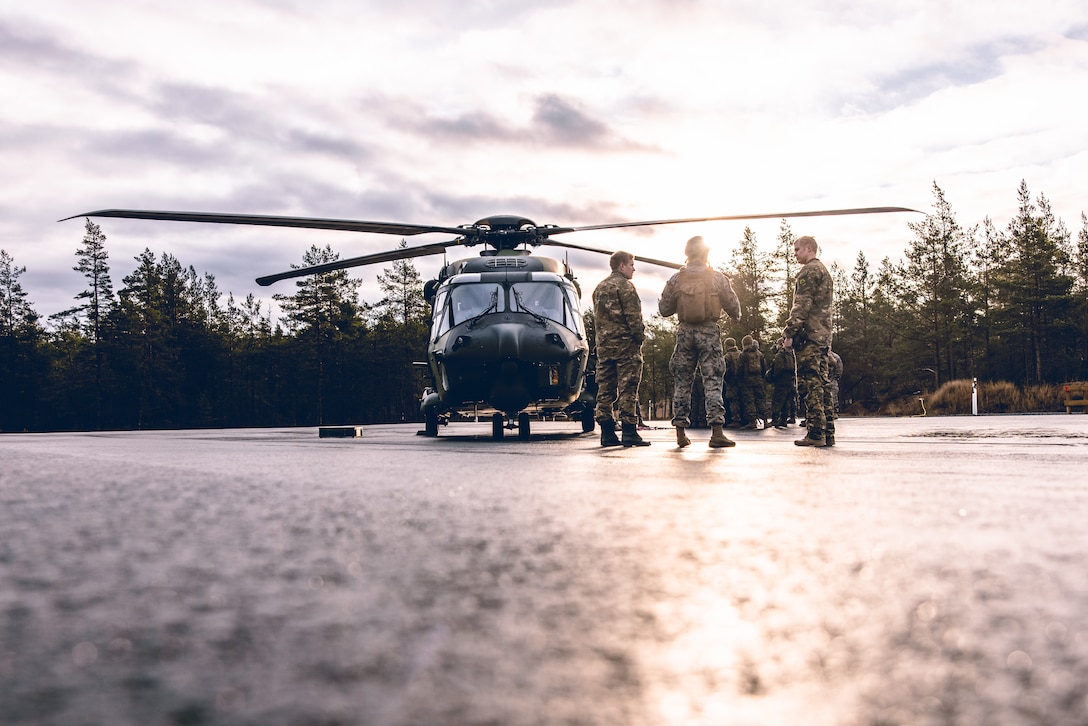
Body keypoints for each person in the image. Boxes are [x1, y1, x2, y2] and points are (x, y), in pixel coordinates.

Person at [658, 236, 742, 448]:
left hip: (684, 334)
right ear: (706, 254)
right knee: (713, 381)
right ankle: (716, 432)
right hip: (709, 333)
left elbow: (664, 310)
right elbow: (735, 308)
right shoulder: (718, 278)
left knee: (682, 382)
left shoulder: (677, 279)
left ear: (687, 254)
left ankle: (680, 433)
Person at [593, 251, 650, 447]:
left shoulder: (599, 288)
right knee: (628, 388)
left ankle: (607, 432)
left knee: (605, 390)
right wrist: (639, 338)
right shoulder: (626, 287)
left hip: (604, 348)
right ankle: (629, 431)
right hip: (626, 347)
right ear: (621, 266)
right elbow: (634, 318)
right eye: (631, 264)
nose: (634, 268)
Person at [782, 235, 835, 447]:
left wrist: (789, 333)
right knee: (823, 385)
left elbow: (802, 305)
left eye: (797, 250)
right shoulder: (823, 271)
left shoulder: (809, 271)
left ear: (809, 249)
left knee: (809, 384)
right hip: (822, 336)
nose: (794, 254)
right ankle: (827, 432)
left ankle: (815, 433)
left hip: (810, 337)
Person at [738, 334, 767, 429]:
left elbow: (740, 369)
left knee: (749, 400)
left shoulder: (743, 355)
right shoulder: (760, 354)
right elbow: (764, 368)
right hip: (759, 379)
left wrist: (739, 379)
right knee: (761, 399)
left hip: (747, 381)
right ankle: (765, 421)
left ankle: (752, 421)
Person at [767, 337, 797, 429]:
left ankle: (775, 419)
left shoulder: (780, 355)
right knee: (786, 401)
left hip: (781, 381)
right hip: (790, 381)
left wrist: (772, 377)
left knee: (777, 400)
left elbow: (778, 369)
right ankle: (783, 420)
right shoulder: (791, 354)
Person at [722, 337, 742, 427]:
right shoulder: (741, 354)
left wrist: (725, 379)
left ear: (727, 346)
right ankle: (745, 419)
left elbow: (723, 370)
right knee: (743, 399)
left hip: (731, 381)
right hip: (742, 382)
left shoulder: (727, 356)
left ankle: (736, 419)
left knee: (733, 400)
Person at [828, 346, 843, 413]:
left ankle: (834, 411)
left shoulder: (835, 356)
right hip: (822, 379)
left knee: (833, 395)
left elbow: (839, 368)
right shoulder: (820, 356)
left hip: (832, 378)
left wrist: (836, 377)